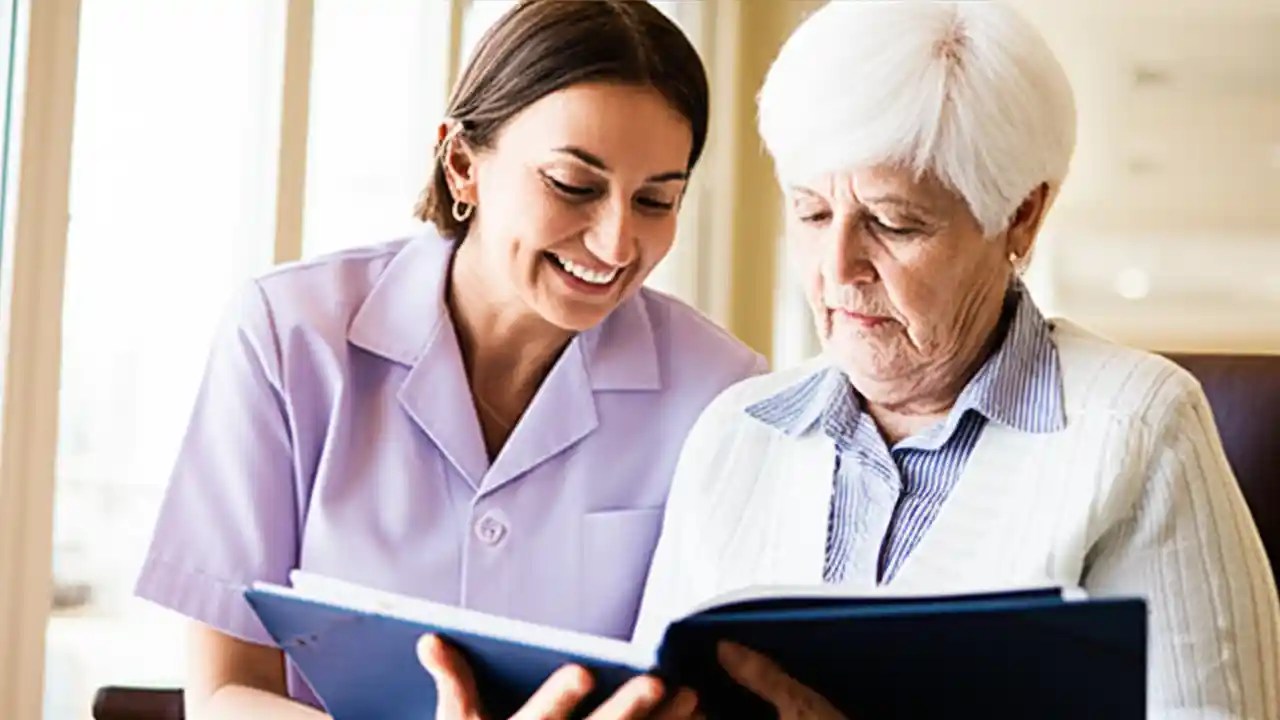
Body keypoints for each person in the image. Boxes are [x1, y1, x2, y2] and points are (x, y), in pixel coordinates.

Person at [629, 1, 1280, 718]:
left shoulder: (1140, 428)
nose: (837, 267)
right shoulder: (735, 432)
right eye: (811, 213)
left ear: (1020, 216)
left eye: (893, 221)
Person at [134, 1, 765, 717]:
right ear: (463, 163)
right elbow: (225, 691)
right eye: (573, 186)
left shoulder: (722, 391)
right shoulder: (289, 336)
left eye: (656, 200)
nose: (618, 245)